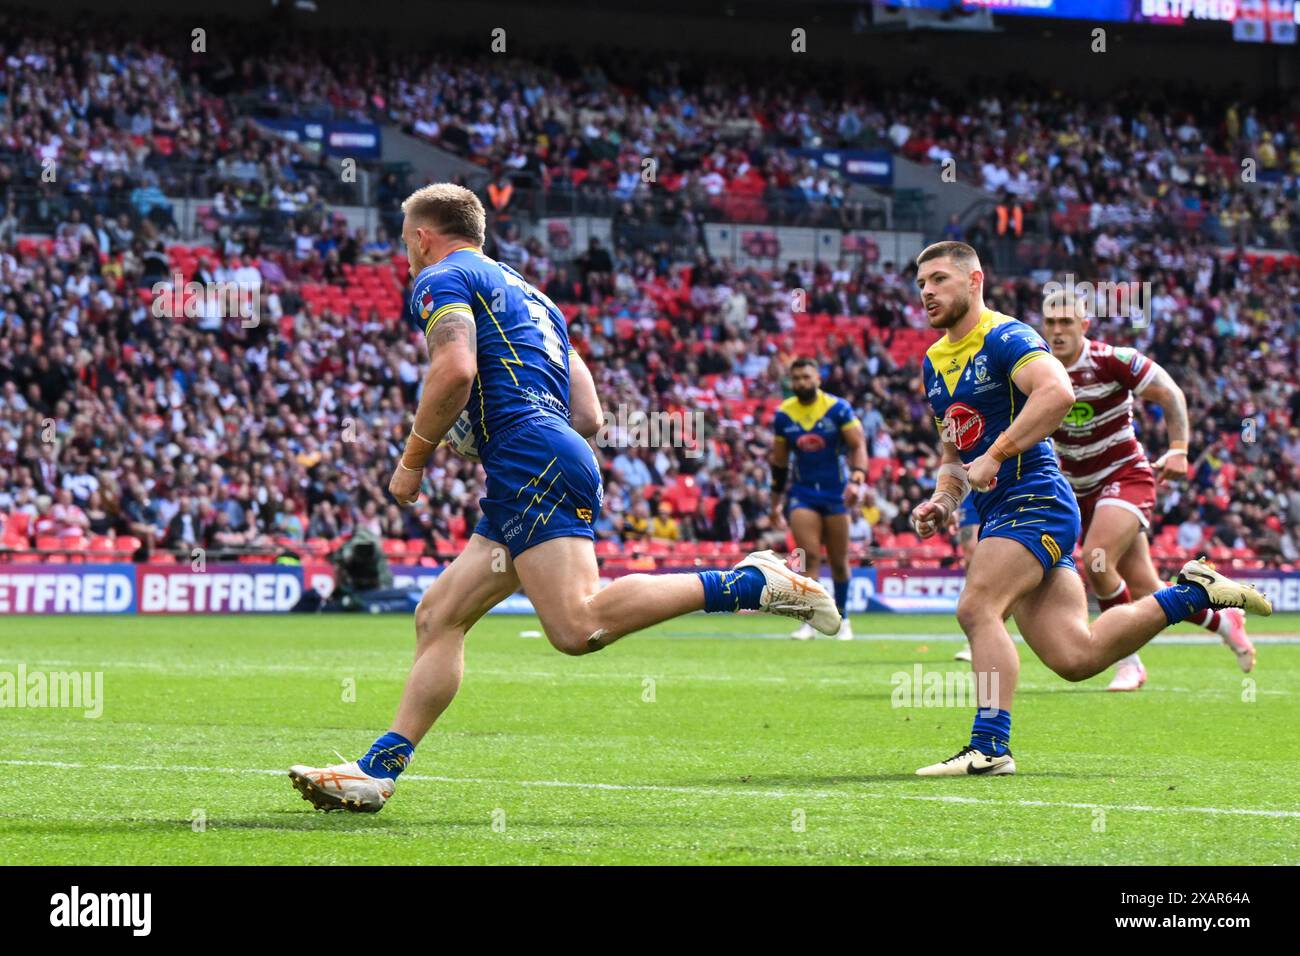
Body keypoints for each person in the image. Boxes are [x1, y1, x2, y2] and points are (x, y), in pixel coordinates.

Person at [289, 184, 839, 812]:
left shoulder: (442, 277)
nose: (406, 256)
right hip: (544, 454)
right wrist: (513, 430)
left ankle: (752, 584)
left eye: (405, 243)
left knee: (579, 625)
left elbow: (456, 371)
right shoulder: (536, 297)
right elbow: (591, 414)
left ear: (422, 236)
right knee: (438, 615)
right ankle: (377, 771)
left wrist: (414, 460)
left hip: (530, 458)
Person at [910, 241, 1270, 777]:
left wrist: (999, 453)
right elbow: (952, 452)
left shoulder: (1007, 336)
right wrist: (943, 499)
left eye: (939, 279)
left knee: (976, 607)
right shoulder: (934, 362)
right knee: (1076, 657)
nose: (927, 291)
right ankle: (1191, 593)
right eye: (921, 284)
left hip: (1034, 497)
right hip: (1005, 506)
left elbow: (1055, 394)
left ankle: (990, 746)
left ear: (974, 280)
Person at [1041, 291, 1254, 690]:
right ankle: (1223, 619)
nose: (1057, 331)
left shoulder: (1112, 360)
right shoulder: (1039, 371)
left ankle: (1129, 663)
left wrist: (1178, 449)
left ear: (1084, 325)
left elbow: (1170, 392)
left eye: (1066, 322)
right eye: (1050, 323)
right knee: (1146, 588)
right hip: (1077, 490)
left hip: (1125, 475)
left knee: (1098, 560)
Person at [769, 358, 868, 641]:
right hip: (802, 494)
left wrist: (857, 478)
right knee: (808, 556)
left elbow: (858, 445)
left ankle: (843, 618)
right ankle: (810, 622)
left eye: (806, 377)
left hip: (836, 492)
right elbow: (778, 464)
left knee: (838, 560)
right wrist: (775, 502)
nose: (801, 382)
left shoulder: (838, 409)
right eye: (796, 378)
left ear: (817, 379)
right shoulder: (783, 415)